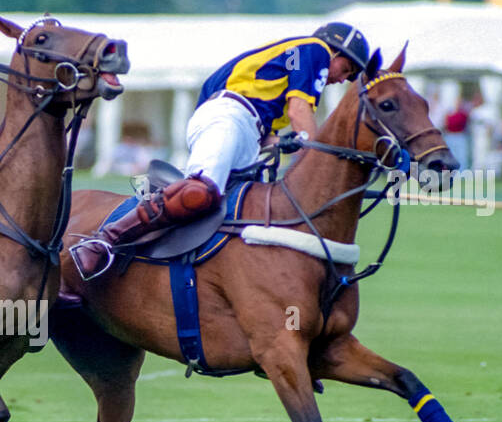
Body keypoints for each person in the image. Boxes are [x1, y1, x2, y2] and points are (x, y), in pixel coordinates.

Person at [72, 22, 369, 279]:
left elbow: (271, 133)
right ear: (336, 51)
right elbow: (299, 111)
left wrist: (288, 143)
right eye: (347, 68)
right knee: (199, 193)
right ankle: (102, 242)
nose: (343, 79)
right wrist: (317, 157)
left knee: (255, 213)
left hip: (246, 128)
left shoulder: (289, 70)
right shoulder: (316, 50)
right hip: (229, 116)